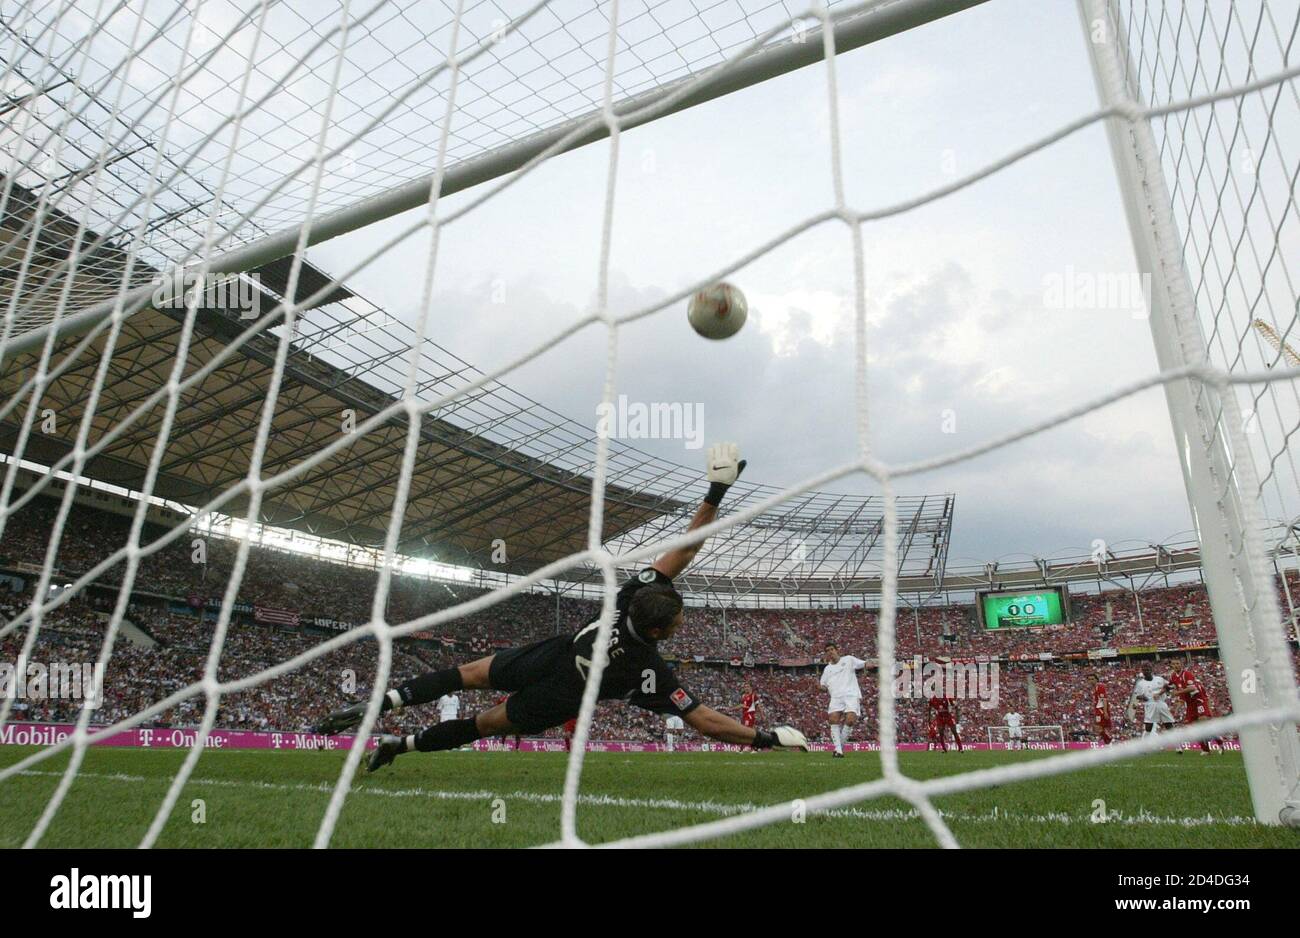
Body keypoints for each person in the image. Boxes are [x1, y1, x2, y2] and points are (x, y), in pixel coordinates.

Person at [315, 444, 809, 770]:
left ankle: (380, 705)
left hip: (546, 655)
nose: (683, 618)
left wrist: (716, 492)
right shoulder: (647, 670)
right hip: (555, 698)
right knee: (478, 726)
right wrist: (766, 738)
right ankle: (399, 745)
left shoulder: (630, 598)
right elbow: (706, 721)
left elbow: (685, 548)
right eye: (680, 618)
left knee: (464, 675)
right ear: (660, 632)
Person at [819, 643, 866, 758]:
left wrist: (868, 664)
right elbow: (823, 686)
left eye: (832, 649)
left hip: (851, 694)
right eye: (828, 650)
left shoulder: (848, 659)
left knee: (850, 720)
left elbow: (863, 664)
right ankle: (839, 751)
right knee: (833, 720)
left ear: (837, 650)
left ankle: (838, 748)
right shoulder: (827, 669)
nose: (830, 652)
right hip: (836, 697)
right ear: (826, 654)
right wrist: (820, 687)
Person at [1167, 661, 1221, 753]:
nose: (1176, 665)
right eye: (1174, 664)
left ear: (1181, 665)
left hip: (1198, 701)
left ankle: (1218, 740)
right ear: (1171, 666)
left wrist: (1177, 692)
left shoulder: (1187, 674)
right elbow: (1177, 693)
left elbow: (1192, 688)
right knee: (1194, 728)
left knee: (1203, 725)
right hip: (1190, 704)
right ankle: (1206, 750)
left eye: (1178, 663)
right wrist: (1176, 709)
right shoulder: (1173, 677)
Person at [1127, 663, 1175, 739]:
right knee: (1148, 726)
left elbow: (1169, 686)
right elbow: (1137, 696)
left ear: (1151, 669)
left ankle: (1177, 743)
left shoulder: (1159, 679)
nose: (1146, 671)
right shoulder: (1140, 683)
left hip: (1161, 703)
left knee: (1168, 724)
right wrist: (1142, 697)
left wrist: (1160, 693)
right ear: (1142, 671)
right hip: (1150, 704)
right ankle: (1144, 742)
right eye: (1144, 670)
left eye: (1148, 669)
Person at [1091, 672, 1112, 745]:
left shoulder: (1100, 687)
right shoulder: (1095, 688)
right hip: (1098, 710)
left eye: (1092, 679)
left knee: (1098, 727)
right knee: (1097, 727)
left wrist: (1105, 712)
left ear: (1096, 679)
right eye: (1089, 679)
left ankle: (1108, 739)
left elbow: (1104, 699)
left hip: (1101, 710)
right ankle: (1107, 739)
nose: (1091, 681)